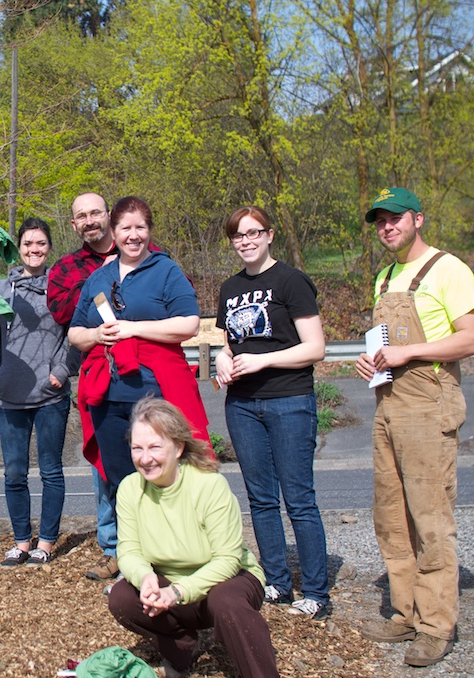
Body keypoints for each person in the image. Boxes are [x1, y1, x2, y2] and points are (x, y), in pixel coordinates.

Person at [355, 187, 474, 667]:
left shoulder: (449, 269)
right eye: (380, 221)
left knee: (430, 518)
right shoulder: (384, 277)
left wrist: (408, 353)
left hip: (428, 405)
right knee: (391, 516)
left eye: (395, 218)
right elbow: (388, 342)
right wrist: (374, 362)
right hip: (387, 404)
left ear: (417, 219)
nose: (387, 227)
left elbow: (468, 337)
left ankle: (436, 624)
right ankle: (405, 611)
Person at [68, 196, 208, 580]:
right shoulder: (99, 278)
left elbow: (189, 323)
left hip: (154, 392)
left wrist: (133, 329)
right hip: (108, 395)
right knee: (120, 479)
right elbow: (75, 333)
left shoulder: (165, 271)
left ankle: (171, 558)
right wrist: (98, 333)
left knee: (161, 474)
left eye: (140, 227)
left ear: (149, 231)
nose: (133, 235)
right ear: (113, 233)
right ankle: (126, 558)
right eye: (126, 228)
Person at [215, 206, 330, 620]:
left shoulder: (291, 280)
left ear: (269, 236)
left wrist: (263, 361)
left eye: (252, 233)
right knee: (261, 500)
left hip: (289, 400)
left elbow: (315, 347)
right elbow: (230, 342)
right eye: (237, 236)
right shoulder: (229, 288)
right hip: (243, 405)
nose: (245, 241)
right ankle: (277, 583)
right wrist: (224, 361)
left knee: (298, 499)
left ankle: (316, 592)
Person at [108, 397, 277, 678]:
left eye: (155, 447)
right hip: (169, 583)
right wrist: (145, 578)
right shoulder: (129, 488)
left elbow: (228, 559)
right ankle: (181, 649)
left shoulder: (209, 485)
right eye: (137, 448)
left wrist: (177, 592)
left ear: (178, 447)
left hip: (227, 580)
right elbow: (129, 551)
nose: (145, 458)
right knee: (122, 598)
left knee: (227, 603)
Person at [0, 218, 72, 567]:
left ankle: (46, 542)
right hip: (11, 396)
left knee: (50, 471)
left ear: (49, 248)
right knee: (14, 473)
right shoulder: (2, 290)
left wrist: (62, 370)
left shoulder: (61, 288)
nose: (34, 250)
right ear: (18, 248)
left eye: (41, 244)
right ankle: (21, 541)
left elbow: (72, 334)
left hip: (51, 395)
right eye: (27, 244)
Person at [46, 192, 121, 581]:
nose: (90, 220)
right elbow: (59, 310)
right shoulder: (67, 268)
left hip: (143, 375)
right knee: (103, 464)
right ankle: (113, 548)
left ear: (108, 215)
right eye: (81, 217)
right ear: (74, 225)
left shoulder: (140, 248)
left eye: (95, 213)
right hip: (97, 376)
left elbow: (175, 293)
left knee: (152, 460)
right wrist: (99, 282)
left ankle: (157, 546)